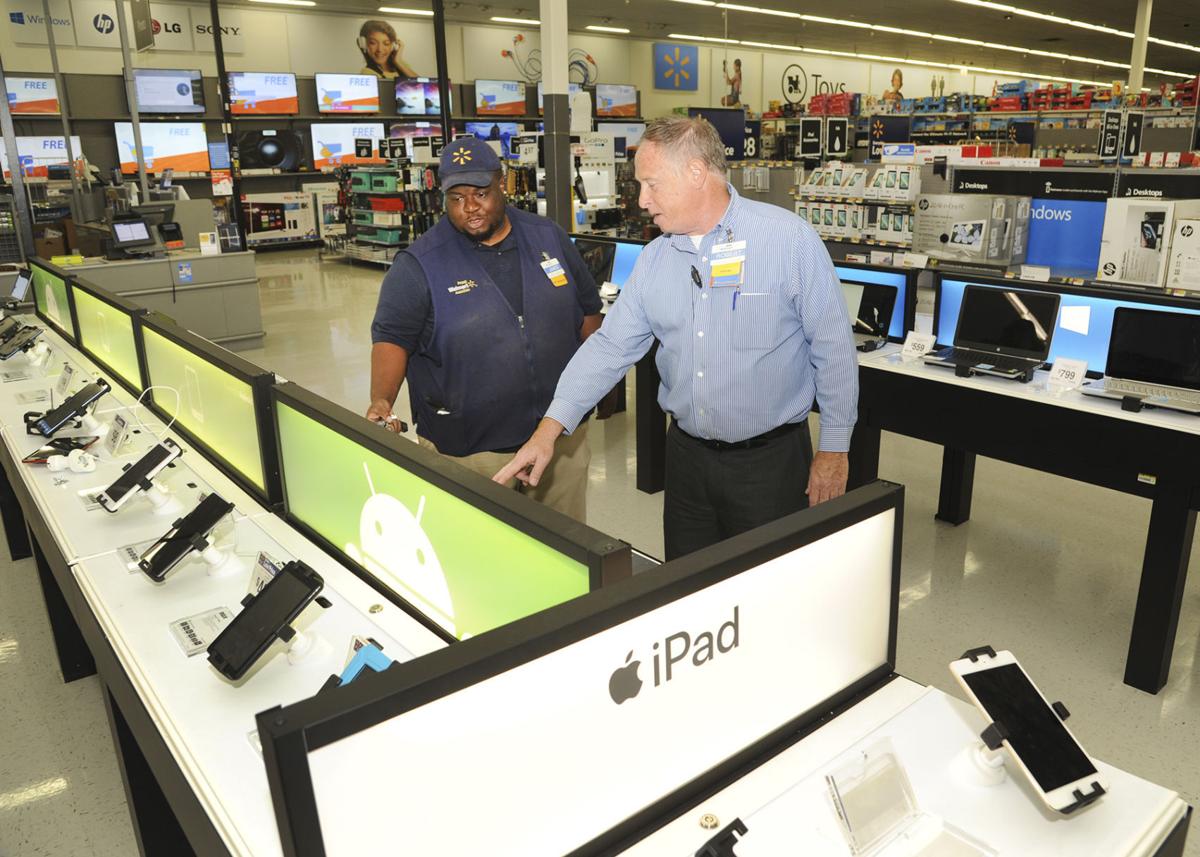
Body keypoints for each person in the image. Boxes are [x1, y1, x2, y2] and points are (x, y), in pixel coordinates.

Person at [494, 116, 858, 560]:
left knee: (769, 586)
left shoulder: (789, 241)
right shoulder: (655, 259)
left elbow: (833, 349)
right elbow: (610, 347)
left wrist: (834, 449)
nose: (642, 200)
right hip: (687, 463)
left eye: (652, 184)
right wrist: (549, 429)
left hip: (770, 465)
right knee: (689, 584)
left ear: (696, 173)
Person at [367, 137, 603, 522]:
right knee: (480, 547)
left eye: (480, 193)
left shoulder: (548, 237)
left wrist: (593, 389)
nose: (470, 207)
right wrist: (382, 399)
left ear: (502, 183)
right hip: (472, 452)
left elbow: (589, 314)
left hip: (560, 439)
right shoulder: (419, 264)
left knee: (567, 542)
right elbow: (392, 339)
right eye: (457, 198)